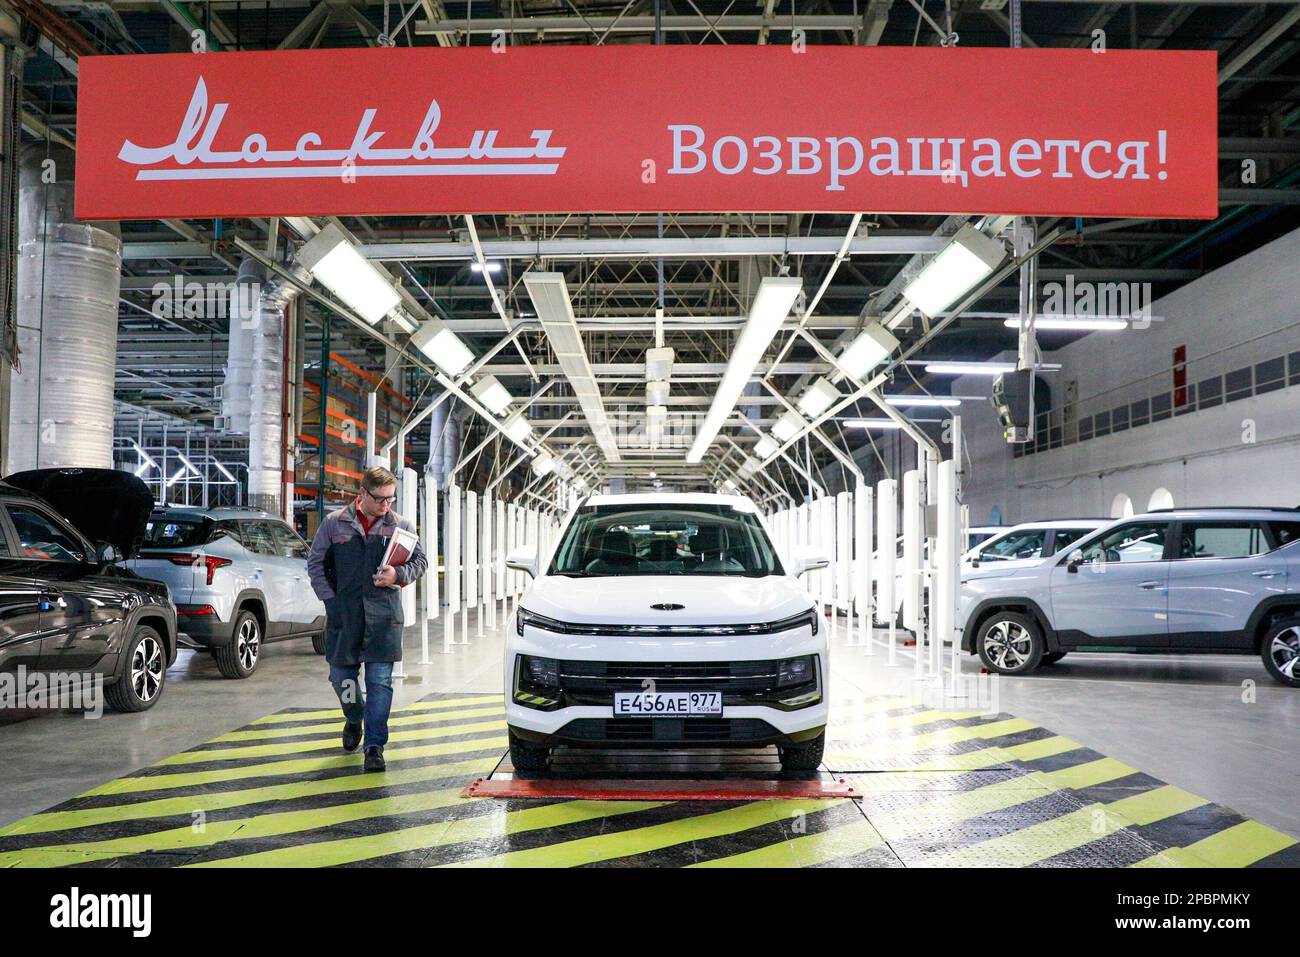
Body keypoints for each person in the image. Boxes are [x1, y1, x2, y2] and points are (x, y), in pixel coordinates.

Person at [308, 466, 428, 772]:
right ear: (362, 494)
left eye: (391, 499)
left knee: (380, 683)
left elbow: (420, 561)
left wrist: (397, 574)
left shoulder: (400, 526)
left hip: (383, 618)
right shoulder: (335, 524)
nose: (387, 505)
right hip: (344, 617)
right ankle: (353, 716)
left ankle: (374, 745)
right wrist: (331, 601)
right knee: (342, 679)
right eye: (380, 499)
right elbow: (316, 563)